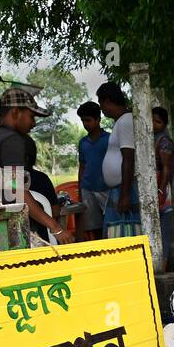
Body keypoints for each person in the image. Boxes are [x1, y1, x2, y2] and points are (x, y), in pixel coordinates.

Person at [0, 87, 72, 244]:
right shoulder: (12, 140)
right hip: (13, 225)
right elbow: (17, 190)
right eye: (31, 116)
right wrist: (55, 227)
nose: (34, 123)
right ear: (16, 113)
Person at [96, 81, 142, 238]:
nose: (101, 109)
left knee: (121, 233)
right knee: (115, 232)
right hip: (118, 188)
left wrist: (125, 194)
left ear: (108, 101)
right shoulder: (120, 122)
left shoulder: (125, 121)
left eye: (101, 104)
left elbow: (128, 158)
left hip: (124, 188)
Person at [75, 101, 110, 242]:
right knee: (93, 226)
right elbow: (82, 167)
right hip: (88, 189)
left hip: (106, 189)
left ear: (98, 119)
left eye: (88, 120)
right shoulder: (83, 142)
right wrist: (80, 189)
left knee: (109, 222)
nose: (85, 124)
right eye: (83, 121)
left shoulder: (109, 139)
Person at [152, 106, 174, 272]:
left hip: (161, 190)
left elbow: (167, 168)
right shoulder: (152, 138)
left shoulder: (164, 142)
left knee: (164, 233)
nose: (154, 124)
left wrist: (161, 191)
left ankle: (162, 267)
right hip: (155, 188)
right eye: (152, 121)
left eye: (158, 121)